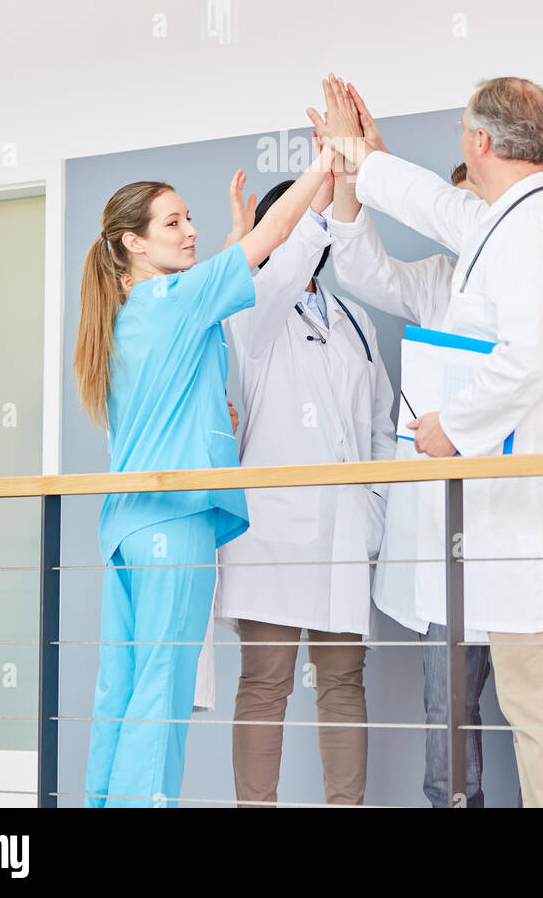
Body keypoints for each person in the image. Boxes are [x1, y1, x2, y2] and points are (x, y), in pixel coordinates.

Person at [309, 74, 543, 808]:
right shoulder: (512, 221)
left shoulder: (531, 228)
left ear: (480, 141)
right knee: (534, 709)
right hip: (505, 526)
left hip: (530, 526)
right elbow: (439, 208)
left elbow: (530, 359)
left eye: (460, 134)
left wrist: (453, 428)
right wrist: (363, 161)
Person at [74, 146, 335, 807]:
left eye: (189, 218)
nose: (187, 230)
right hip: (174, 520)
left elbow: (206, 314)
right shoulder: (170, 301)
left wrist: (227, 242)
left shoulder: (131, 312)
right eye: (172, 223)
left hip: (128, 527)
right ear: (132, 242)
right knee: (162, 684)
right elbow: (274, 236)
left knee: (124, 684)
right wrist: (328, 162)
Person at [215, 156, 396, 808]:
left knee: (345, 683)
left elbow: (382, 424)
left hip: (345, 532)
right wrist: (323, 188)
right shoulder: (251, 308)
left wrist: (375, 508)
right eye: (296, 221)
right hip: (272, 533)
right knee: (266, 681)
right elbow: (282, 267)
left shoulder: (355, 322)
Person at [325, 132, 496, 808]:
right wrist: (346, 175)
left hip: (525, 528)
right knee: (447, 713)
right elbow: (365, 273)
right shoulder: (437, 280)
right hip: (448, 543)